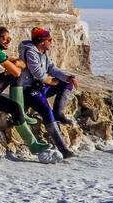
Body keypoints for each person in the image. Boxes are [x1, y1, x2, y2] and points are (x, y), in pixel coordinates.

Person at [0, 26, 51, 154]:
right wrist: (16, 66)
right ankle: (33, 145)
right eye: (4, 38)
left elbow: (19, 63)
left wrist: (16, 64)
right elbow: (17, 71)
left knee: (12, 75)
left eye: (9, 39)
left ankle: (22, 113)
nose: (7, 41)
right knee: (14, 107)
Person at [17, 27, 79, 159]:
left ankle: (59, 113)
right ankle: (63, 149)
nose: (51, 42)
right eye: (49, 40)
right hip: (29, 90)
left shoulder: (43, 53)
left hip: (40, 88)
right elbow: (38, 73)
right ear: (42, 41)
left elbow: (52, 68)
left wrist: (68, 77)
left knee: (67, 83)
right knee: (46, 110)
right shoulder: (30, 52)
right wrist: (52, 81)